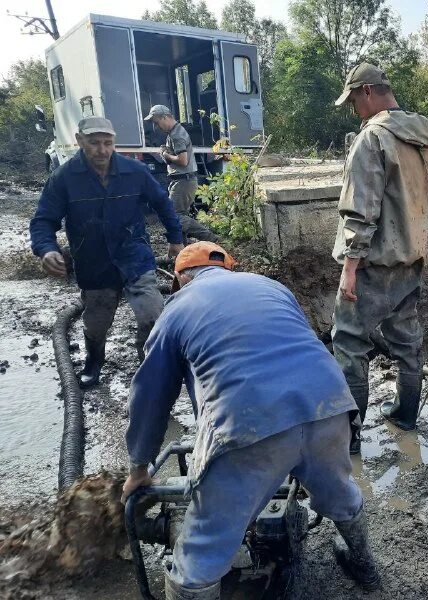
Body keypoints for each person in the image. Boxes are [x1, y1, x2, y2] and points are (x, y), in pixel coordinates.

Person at [121, 242, 380, 600]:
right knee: (341, 494)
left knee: (200, 553)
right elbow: (289, 346)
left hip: (249, 423)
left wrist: (138, 467)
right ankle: (365, 567)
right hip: (330, 404)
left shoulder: (177, 308)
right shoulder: (271, 287)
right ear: (229, 268)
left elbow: (150, 396)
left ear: (181, 278)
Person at [331, 62, 428, 453]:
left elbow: (361, 211)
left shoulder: (372, 139)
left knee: (349, 344)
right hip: (411, 261)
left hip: (373, 265)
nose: (354, 110)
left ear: (366, 92)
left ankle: (349, 439)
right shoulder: (425, 140)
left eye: (353, 102)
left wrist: (350, 268)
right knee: (408, 343)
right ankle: (405, 416)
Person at [30, 116, 184, 387]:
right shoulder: (64, 178)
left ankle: (149, 370)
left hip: (133, 255)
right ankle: (94, 361)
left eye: (107, 143)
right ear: (79, 141)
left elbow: (162, 203)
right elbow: (43, 220)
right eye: (94, 143)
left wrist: (175, 238)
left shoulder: (133, 171)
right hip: (93, 261)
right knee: (96, 323)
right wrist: (46, 249)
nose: (102, 150)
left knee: (153, 313)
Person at [143, 104, 220, 243]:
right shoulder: (174, 133)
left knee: (174, 216)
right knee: (180, 215)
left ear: (165, 117)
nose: (156, 127)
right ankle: (183, 246)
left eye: (157, 122)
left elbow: (182, 161)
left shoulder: (176, 135)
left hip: (183, 181)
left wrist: (166, 155)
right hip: (183, 180)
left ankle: (212, 238)